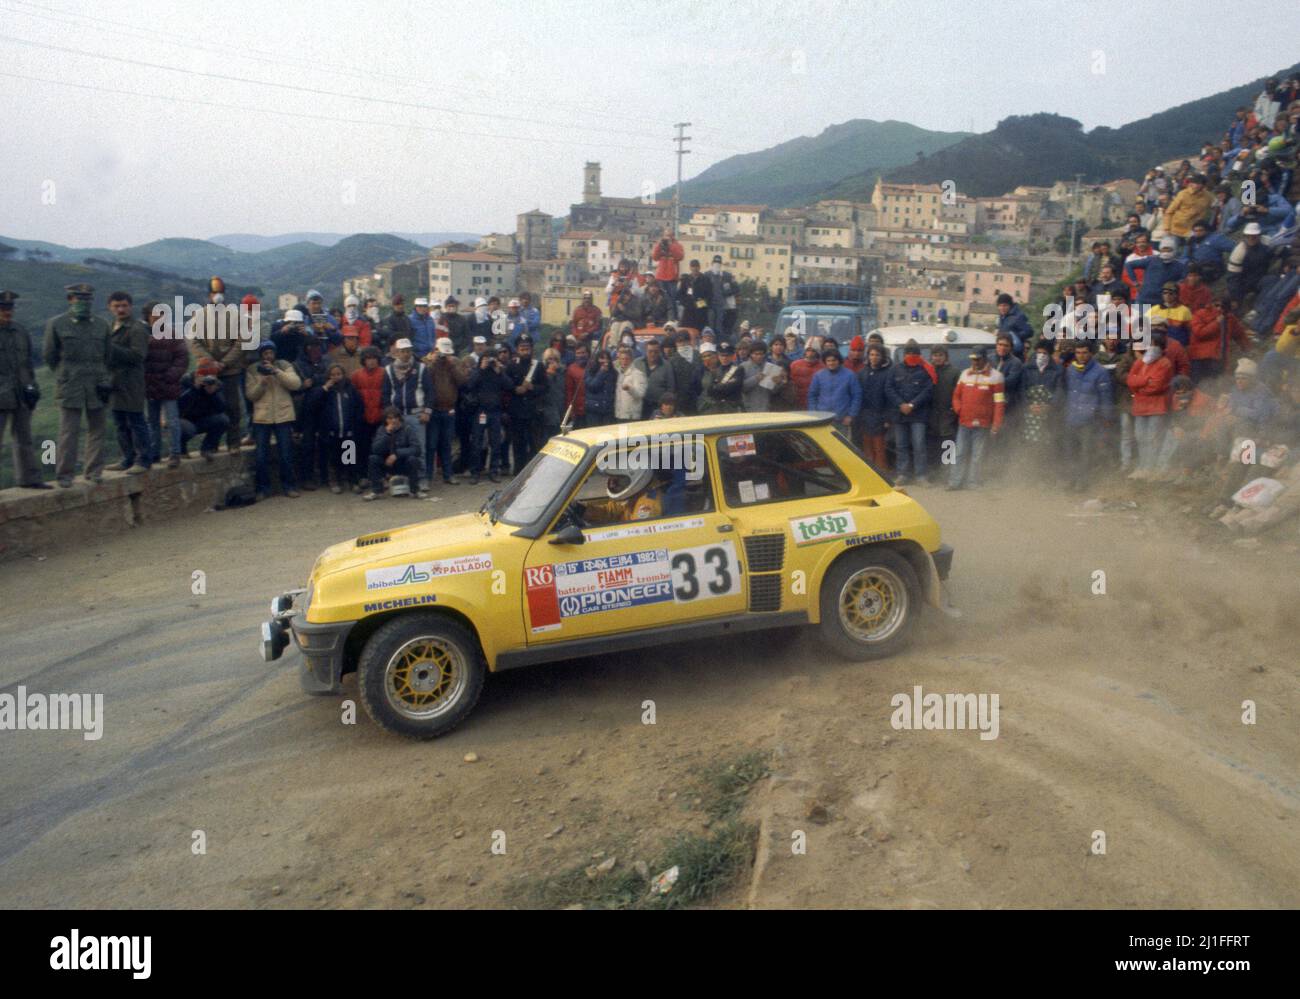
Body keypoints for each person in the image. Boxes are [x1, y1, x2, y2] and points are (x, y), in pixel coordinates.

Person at [44, 283, 114, 486]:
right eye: (79, 298)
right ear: (70, 300)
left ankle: (93, 471)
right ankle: (65, 474)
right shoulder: (57, 324)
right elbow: (50, 355)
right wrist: (64, 374)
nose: (83, 303)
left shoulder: (101, 325)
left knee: (97, 430)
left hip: (97, 384)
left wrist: (103, 377)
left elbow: (107, 356)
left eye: (87, 299)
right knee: (68, 432)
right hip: (71, 385)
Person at [185, 277, 247, 453]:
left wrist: (224, 363)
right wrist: (210, 362)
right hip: (208, 370)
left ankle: (233, 443)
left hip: (230, 371)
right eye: (214, 292)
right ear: (209, 295)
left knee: (233, 408)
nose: (217, 296)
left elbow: (241, 342)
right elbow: (192, 340)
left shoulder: (234, 315)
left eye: (220, 292)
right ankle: (211, 445)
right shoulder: (199, 315)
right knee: (211, 409)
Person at [0, 291, 48, 488]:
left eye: (10, 308)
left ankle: (29, 479)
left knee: (24, 438)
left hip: (21, 394)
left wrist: (32, 387)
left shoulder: (21, 331)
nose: (7, 312)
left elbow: (27, 364)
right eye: (3, 308)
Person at [244, 340, 301, 499]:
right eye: (265, 353)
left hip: (283, 415)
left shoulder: (283, 365)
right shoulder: (253, 369)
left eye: (271, 353)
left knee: (286, 454)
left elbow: (295, 384)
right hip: (262, 417)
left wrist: (277, 372)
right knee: (261, 455)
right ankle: (263, 488)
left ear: (275, 353)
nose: (268, 356)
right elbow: (250, 395)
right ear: (261, 355)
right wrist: (261, 383)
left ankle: (289, 486)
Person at [104, 291, 151, 475]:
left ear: (130, 306)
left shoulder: (136, 328)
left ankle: (143, 459)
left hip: (132, 382)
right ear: (110, 307)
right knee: (120, 423)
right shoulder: (109, 328)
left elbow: (138, 355)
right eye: (117, 306)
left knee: (136, 421)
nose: (121, 309)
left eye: (124, 305)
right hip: (114, 382)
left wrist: (112, 349)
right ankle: (127, 458)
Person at [1059, 339, 1113, 492]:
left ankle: (1083, 483)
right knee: (1070, 452)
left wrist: (1106, 419)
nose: (1081, 356)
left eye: (1084, 353)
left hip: (1090, 420)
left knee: (1086, 453)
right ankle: (1071, 481)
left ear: (1091, 353)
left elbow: (1106, 399)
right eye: (1078, 353)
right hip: (1071, 417)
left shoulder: (1100, 372)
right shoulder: (1070, 369)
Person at [381, 338, 432, 498]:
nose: (405, 353)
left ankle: (422, 479)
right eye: (402, 351)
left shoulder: (421, 368)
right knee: (395, 448)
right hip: (396, 415)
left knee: (419, 448)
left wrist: (427, 411)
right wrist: (387, 415)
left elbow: (430, 391)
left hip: (416, 413)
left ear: (411, 351)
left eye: (408, 350)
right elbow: (386, 393)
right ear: (396, 352)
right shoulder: (389, 370)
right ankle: (401, 478)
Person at [948, 348, 1005, 490]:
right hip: (964, 422)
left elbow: (999, 403)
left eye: (978, 359)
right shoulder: (964, 374)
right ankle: (955, 482)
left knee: (977, 455)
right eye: (973, 359)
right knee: (959, 453)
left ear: (985, 359)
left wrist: (997, 423)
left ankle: (973, 482)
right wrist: (958, 409)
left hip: (983, 424)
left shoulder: (996, 377)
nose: (975, 362)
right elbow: (956, 396)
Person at [141, 301, 187, 469]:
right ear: (148, 317)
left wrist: (169, 376)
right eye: (155, 315)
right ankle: (155, 453)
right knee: (152, 422)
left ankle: (175, 453)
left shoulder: (174, 335)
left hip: (168, 385)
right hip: (150, 385)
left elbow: (182, 360)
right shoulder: (143, 336)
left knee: (173, 421)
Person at [885, 339, 934, 485]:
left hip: (919, 414)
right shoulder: (895, 369)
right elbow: (889, 388)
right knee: (901, 445)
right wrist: (901, 404)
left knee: (919, 445)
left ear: (920, 354)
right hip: (900, 414)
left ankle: (921, 475)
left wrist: (912, 404)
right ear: (904, 354)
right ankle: (903, 474)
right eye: (909, 352)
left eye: (915, 353)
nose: (911, 355)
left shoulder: (926, 370)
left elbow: (928, 390)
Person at [1125, 337, 1174, 480]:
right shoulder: (1140, 362)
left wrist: (1139, 388)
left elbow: (1157, 385)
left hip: (1157, 407)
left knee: (1153, 439)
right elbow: (1130, 381)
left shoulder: (1165, 363)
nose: (1150, 348)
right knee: (1140, 438)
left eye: (1152, 345)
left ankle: (1151, 468)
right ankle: (1142, 467)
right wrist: (1146, 381)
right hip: (1140, 407)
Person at [465, 347, 512, 483]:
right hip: (481, 411)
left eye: (492, 358)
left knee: (496, 443)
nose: (490, 361)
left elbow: (509, 386)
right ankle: (475, 471)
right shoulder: (479, 371)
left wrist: (500, 372)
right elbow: (470, 385)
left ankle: (494, 471)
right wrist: (481, 368)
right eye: (487, 358)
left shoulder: (498, 372)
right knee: (477, 443)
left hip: (495, 411)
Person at [426, 337, 466, 485]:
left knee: (447, 444)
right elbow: (426, 384)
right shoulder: (429, 365)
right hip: (435, 410)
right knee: (431, 444)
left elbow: (462, 382)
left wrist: (451, 366)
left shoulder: (453, 364)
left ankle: (448, 474)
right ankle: (429, 475)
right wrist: (434, 362)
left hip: (449, 409)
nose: (444, 356)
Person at [317, 362, 362, 493]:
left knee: (350, 458)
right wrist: (325, 388)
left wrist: (355, 425)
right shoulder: (325, 391)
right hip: (332, 432)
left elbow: (358, 407)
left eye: (338, 374)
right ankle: (335, 481)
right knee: (334, 458)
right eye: (333, 375)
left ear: (343, 375)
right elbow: (314, 405)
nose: (336, 377)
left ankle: (352, 481)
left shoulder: (350, 389)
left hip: (348, 431)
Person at [505, 335, 546, 473]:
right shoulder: (511, 366)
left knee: (534, 443)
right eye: (522, 348)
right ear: (517, 350)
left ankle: (534, 470)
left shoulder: (538, 366)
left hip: (532, 411)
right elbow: (505, 385)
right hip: (516, 411)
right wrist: (515, 389)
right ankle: (518, 470)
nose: (525, 351)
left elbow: (545, 387)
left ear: (531, 349)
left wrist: (532, 388)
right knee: (518, 443)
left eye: (527, 348)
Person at [1019, 338, 1063, 466]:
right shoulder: (1027, 368)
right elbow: (1022, 389)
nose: (1041, 356)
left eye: (1044, 353)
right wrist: (1028, 405)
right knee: (1029, 442)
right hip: (1030, 412)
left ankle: (1045, 473)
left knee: (1047, 443)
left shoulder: (1057, 370)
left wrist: (1050, 405)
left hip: (1048, 413)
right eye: (1039, 352)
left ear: (1049, 354)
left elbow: (1059, 390)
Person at [365, 406, 421, 501]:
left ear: (399, 418)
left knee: (413, 459)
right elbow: (375, 449)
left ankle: (415, 490)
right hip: (386, 463)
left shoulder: (407, 429)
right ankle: (376, 491)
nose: (393, 421)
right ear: (385, 419)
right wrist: (387, 434)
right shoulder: (381, 430)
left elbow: (417, 449)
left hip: (402, 462)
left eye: (395, 417)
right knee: (373, 458)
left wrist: (397, 454)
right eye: (390, 418)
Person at [581, 468, 672, 524]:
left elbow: (633, 535)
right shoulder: (635, 496)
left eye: (617, 480)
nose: (612, 485)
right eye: (611, 479)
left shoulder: (648, 505)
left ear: (636, 478)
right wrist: (582, 510)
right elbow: (611, 512)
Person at [178, 362, 230, 459]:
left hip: (203, 419)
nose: (209, 380)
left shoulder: (217, 384)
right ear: (198, 374)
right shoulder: (186, 381)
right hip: (184, 419)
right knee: (187, 429)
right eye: (206, 376)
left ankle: (207, 448)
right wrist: (194, 389)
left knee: (223, 420)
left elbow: (222, 408)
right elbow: (180, 405)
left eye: (212, 376)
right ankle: (182, 450)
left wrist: (213, 393)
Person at [808, 348, 860, 430]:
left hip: (842, 419)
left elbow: (857, 396)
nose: (831, 363)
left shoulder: (850, 375)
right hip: (822, 419)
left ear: (839, 360)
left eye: (834, 360)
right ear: (825, 362)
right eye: (828, 361)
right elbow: (812, 395)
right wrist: (814, 413)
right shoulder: (818, 376)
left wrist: (851, 415)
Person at [928, 345, 960, 479]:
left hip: (949, 414)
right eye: (935, 355)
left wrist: (954, 411)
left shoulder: (954, 372)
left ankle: (948, 475)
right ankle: (934, 474)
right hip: (931, 415)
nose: (937, 358)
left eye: (940, 355)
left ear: (946, 357)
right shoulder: (928, 371)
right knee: (933, 446)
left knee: (948, 445)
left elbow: (958, 394)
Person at [1226, 223, 1272, 304]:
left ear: (1259, 235)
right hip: (1244, 283)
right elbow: (1233, 277)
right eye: (1248, 236)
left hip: (1262, 276)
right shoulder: (1239, 251)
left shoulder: (1268, 241)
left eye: (1254, 236)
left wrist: (1287, 265)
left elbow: (1282, 251)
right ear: (1244, 236)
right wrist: (1235, 298)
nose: (1251, 238)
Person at [652, 227, 684, 318]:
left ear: (673, 236)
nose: (668, 237)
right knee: (660, 299)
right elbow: (654, 257)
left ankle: (673, 318)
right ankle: (661, 317)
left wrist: (671, 245)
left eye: (670, 236)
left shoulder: (677, 245)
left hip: (672, 277)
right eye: (666, 235)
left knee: (672, 299)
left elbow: (680, 256)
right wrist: (659, 244)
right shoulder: (660, 244)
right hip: (660, 276)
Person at [614, 345, 647, 422]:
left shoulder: (638, 374)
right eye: (622, 359)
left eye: (627, 359)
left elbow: (640, 394)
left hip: (631, 417)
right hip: (619, 415)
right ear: (619, 359)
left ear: (631, 360)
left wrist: (630, 389)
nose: (624, 361)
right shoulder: (618, 373)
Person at [584, 349, 615, 426]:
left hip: (607, 411)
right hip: (594, 410)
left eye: (607, 358)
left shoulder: (613, 373)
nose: (605, 361)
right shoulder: (590, 371)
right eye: (602, 358)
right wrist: (601, 373)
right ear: (597, 359)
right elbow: (592, 386)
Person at [678, 259, 709, 331]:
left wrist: (700, 304)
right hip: (688, 311)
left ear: (699, 267)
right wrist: (687, 304)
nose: (695, 268)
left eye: (696, 266)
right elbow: (680, 295)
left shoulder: (705, 279)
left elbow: (709, 296)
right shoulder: (686, 279)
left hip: (701, 311)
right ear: (690, 268)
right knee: (687, 330)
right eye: (693, 266)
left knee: (700, 330)